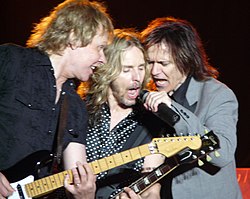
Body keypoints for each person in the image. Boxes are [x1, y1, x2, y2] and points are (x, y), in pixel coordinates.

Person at [0, 0, 113, 198]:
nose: (103, 59)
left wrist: (85, 194)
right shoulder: (11, 60)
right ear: (75, 37)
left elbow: (77, 171)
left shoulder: (76, 106)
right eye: (100, 47)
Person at [136, 17, 242, 199]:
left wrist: (174, 112)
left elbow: (222, 153)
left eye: (163, 63)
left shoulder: (217, 95)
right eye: (150, 62)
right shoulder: (152, 96)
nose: (154, 71)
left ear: (186, 61)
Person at [77, 28, 162, 199]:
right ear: (107, 71)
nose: (136, 77)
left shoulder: (152, 120)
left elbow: (152, 187)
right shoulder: (80, 108)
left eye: (140, 68)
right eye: (127, 69)